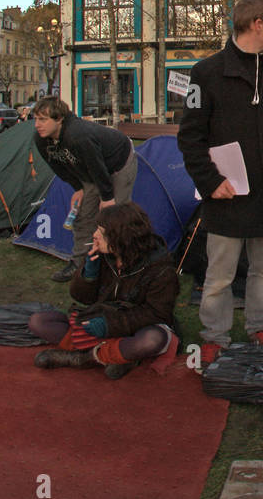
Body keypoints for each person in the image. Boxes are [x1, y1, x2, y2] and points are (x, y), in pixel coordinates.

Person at [176, 0, 263, 355]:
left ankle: (259, 326)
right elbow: (190, 138)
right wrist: (209, 182)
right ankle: (214, 338)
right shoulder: (206, 73)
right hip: (226, 195)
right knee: (219, 278)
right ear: (258, 24)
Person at [33, 199, 179, 376]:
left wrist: (110, 325)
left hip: (136, 327)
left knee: (152, 339)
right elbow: (82, 298)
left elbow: (157, 313)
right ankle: (117, 356)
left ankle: (86, 358)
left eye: (101, 232)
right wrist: (88, 275)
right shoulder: (102, 256)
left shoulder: (161, 269)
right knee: (39, 322)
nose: (94, 235)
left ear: (122, 237)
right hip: (100, 319)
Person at [30, 95, 134, 281]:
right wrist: (78, 188)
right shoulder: (41, 139)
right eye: (36, 119)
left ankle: (123, 262)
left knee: (116, 215)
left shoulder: (78, 135)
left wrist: (107, 198)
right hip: (90, 170)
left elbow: (98, 167)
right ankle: (80, 263)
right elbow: (58, 166)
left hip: (119, 162)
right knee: (83, 215)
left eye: (43, 119)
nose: (38, 124)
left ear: (59, 118)